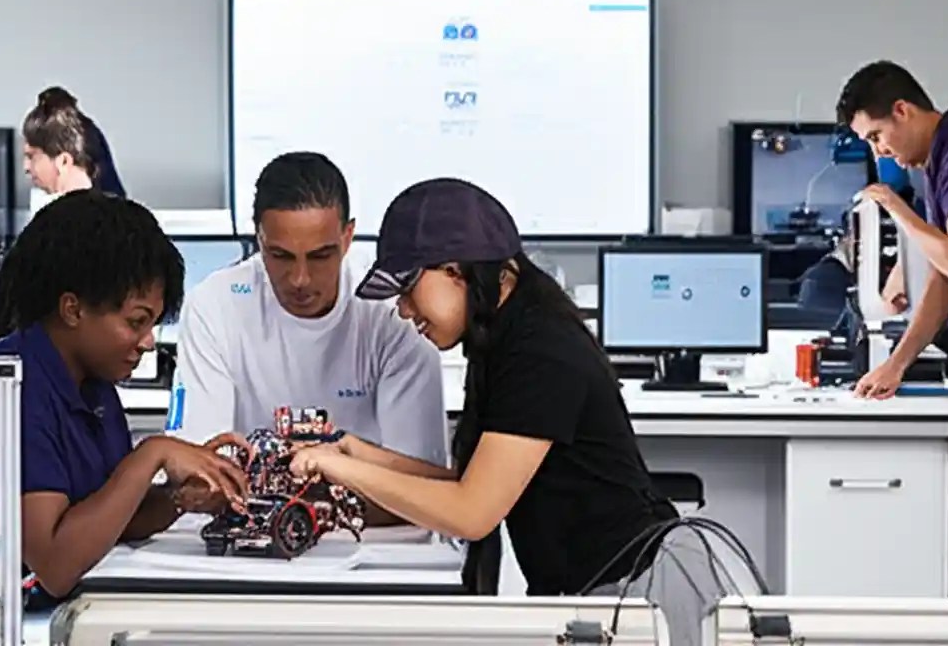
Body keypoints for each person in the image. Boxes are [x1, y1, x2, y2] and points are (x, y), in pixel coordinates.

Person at [289, 177, 676, 595]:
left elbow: (472, 512)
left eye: (408, 288)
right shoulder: (501, 334)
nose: (402, 310)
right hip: (598, 586)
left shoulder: (541, 350)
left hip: (634, 587)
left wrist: (339, 468)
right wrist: (358, 452)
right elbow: (468, 482)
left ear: (456, 268)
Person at [0, 189, 248, 600]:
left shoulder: (93, 383)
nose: (147, 342)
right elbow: (54, 565)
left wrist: (181, 499)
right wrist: (153, 454)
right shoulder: (13, 387)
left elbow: (111, 518)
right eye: (136, 322)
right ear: (73, 309)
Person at [165, 152, 448, 522]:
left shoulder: (392, 310)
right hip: (253, 545)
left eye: (320, 256)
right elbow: (194, 470)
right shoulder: (215, 305)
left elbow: (426, 489)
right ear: (258, 238)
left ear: (347, 238)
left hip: (378, 546)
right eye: (280, 255)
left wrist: (271, 496)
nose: (300, 279)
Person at [839, 59, 948, 597]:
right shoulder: (941, 160)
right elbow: (941, 280)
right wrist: (897, 362)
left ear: (903, 111)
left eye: (876, 136)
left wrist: (898, 212)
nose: (877, 152)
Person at [0, 86, 126, 339]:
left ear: (63, 161)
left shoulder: (53, 237)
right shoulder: (117, 224)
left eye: (32, 156)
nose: (26, 168)